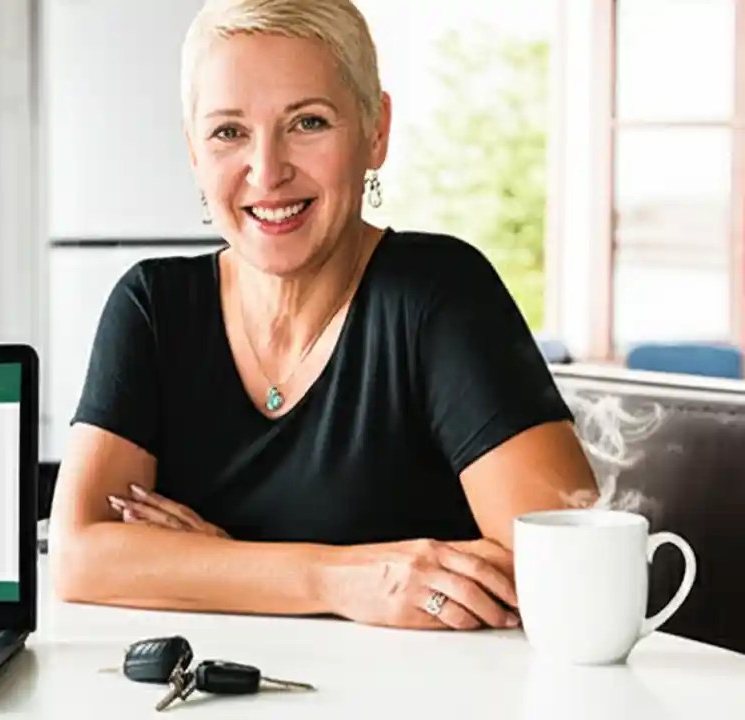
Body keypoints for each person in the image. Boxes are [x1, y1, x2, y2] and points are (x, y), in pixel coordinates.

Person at [48, 0, 598, 631]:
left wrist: (205, 565)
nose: (268, 170)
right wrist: (338, 579)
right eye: (229, 132)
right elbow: (79, 555)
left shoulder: (440, 294)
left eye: (308, 122)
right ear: (194, 152)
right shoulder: (153, 305)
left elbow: (569, 573)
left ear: (376, 130)